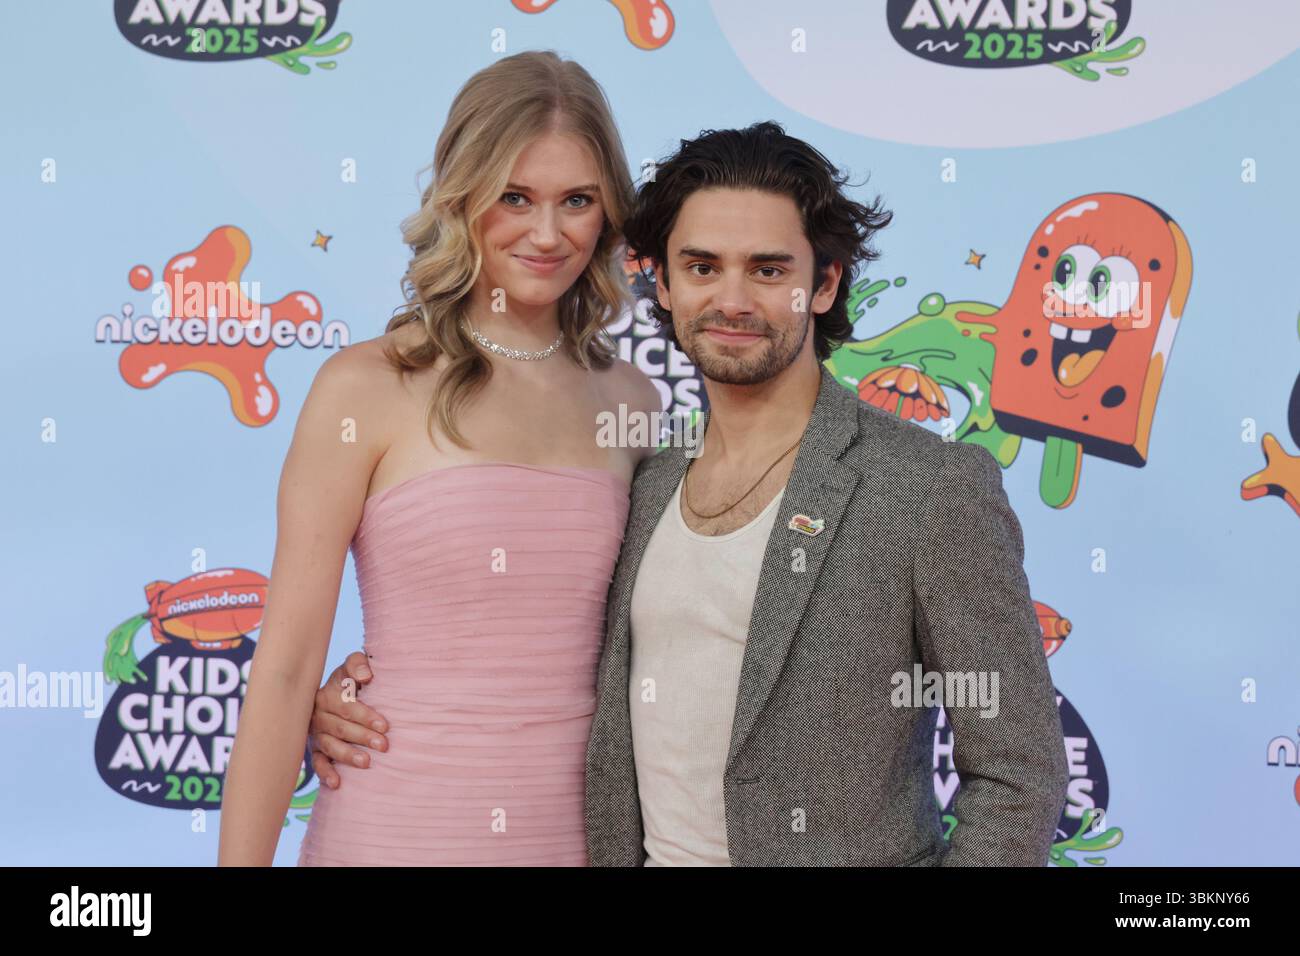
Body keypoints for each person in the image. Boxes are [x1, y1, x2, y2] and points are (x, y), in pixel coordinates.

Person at [311, 122, 1070, 866]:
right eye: (703, 267)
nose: (732, 300)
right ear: (664, 284)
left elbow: (1018, 772)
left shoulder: (927, 487)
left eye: (768, 270)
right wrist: (365, 696)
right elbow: (532, 643)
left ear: (825, 283)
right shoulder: (643, 473)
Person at [217, 50, 661, 866]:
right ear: (462, 195)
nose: (547, 232)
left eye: (578, 201)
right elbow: (283, 673)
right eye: (515, 197)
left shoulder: (633, 403)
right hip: (394, 824)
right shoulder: (366, 385)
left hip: (576, 838)